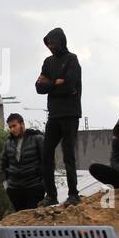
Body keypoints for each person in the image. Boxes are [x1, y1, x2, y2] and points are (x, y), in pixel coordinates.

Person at [35, 27, 83, 207]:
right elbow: (39, 87)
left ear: (60, 42)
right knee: (46, 154)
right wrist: (55, 82)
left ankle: (73, 194)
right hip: (54, 115)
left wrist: (50, 85)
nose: (51, 47)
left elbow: (70, 87)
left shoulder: (72, 60)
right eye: (48, 44)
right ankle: (51, 195)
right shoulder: (48, 62)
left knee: (68, 154)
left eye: (53, 43)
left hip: (70, 114)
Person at [0, 113, 44, 211]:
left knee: (32, 219)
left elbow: (47, 163)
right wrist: (6, 185)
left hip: (34, 186)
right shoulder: (8, 143)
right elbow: (3, 165)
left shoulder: (37, 139)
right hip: (14, 189)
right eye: (10, 127)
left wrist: (43, 184)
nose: (12, 129)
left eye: (14, 126)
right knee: (20, 219)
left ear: (22, 124)